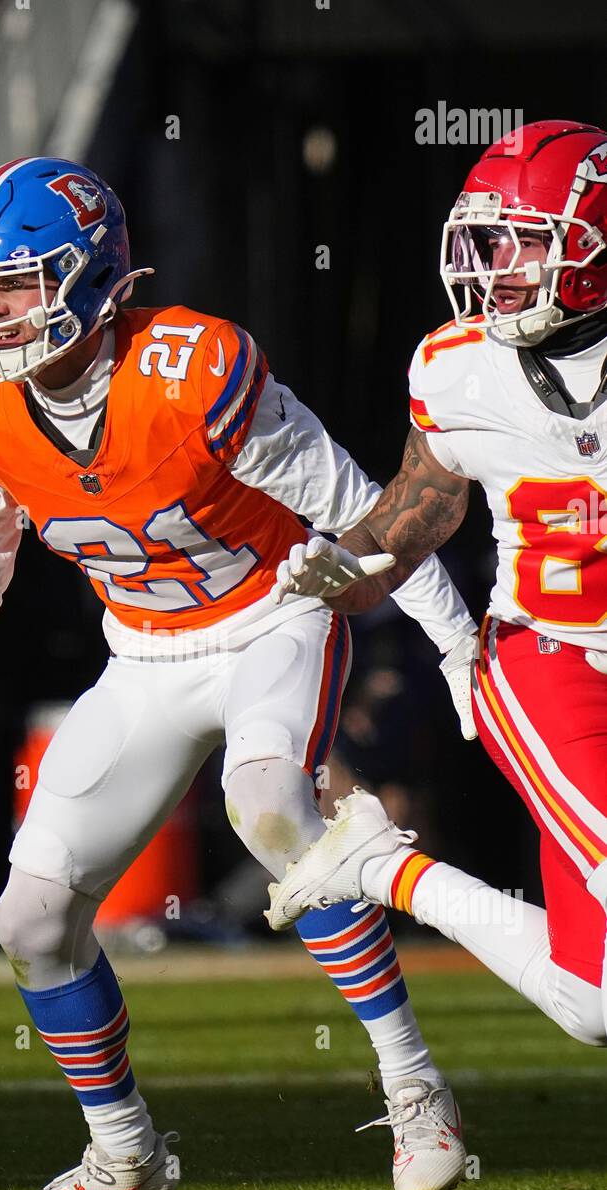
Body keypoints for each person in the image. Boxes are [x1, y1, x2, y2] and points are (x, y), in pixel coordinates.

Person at [0, 157, 478, 1190]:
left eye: (13, 283)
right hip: (148, 651)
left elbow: (368, 508)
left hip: (273, 616)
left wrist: (453, 647)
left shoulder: (189, 368)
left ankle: (413, 1083)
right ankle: (124, 1153)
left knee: (269, 807)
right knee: (27, 917)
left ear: (90, 278)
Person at [269, 120, 607, 1056]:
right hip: (549, 662)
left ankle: (380, 866)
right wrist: (344, 565)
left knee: (596, 1004)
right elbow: (418, 511)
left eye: (526, 241)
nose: (500, 265)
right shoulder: (458, 367)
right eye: (488, 241)